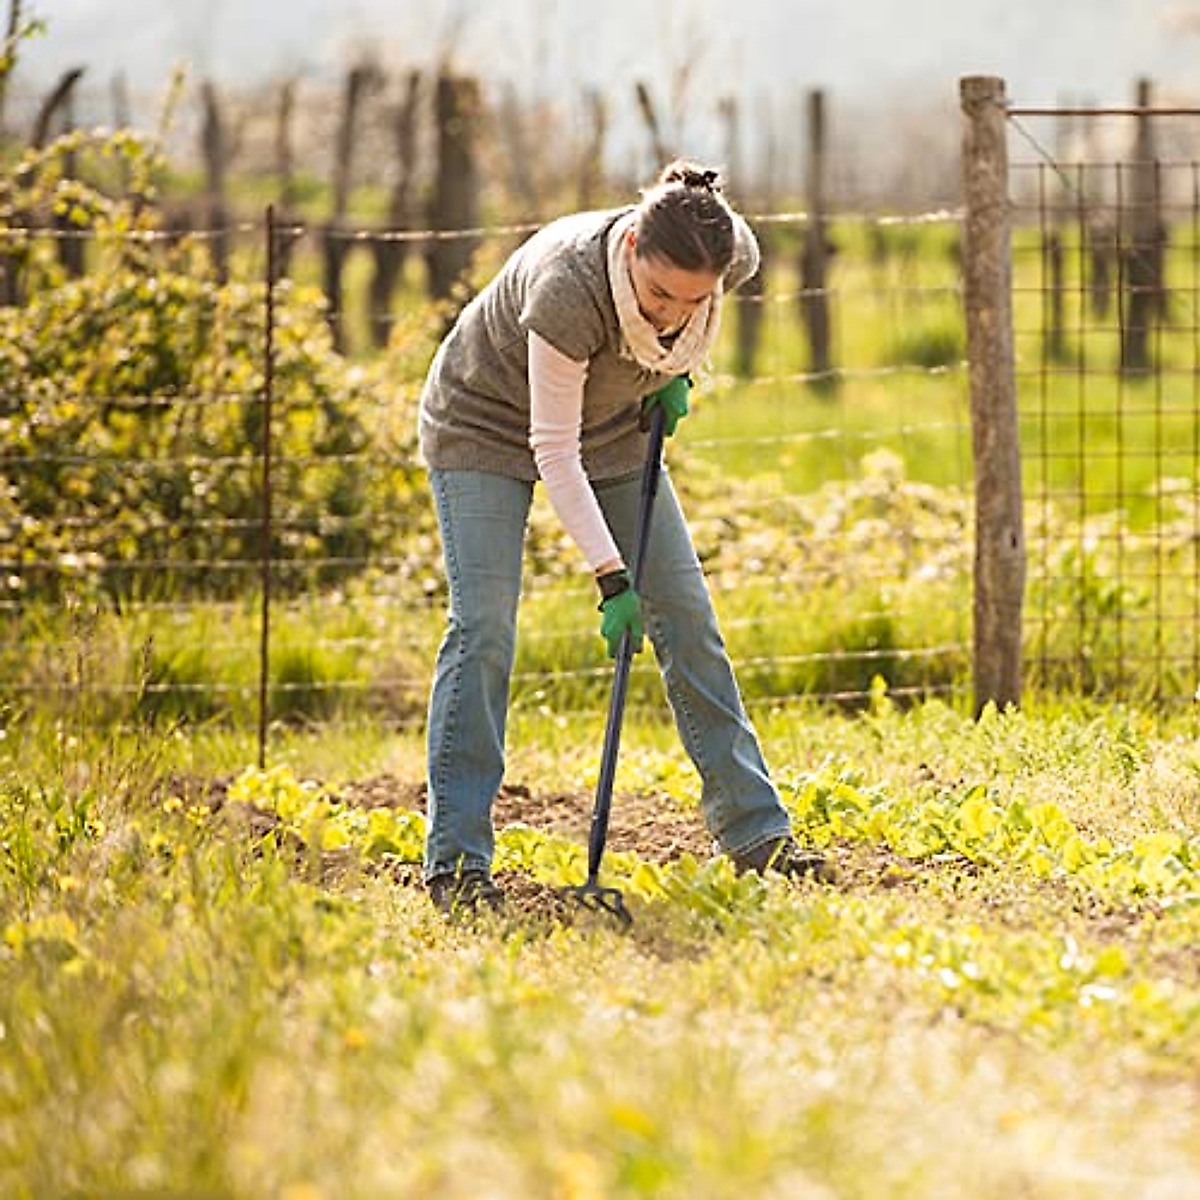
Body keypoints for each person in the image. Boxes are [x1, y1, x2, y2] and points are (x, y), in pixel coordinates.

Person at [418, 159, 834, 914]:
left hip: (611, 431)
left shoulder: (729, 251)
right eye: (659, 295)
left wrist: (676, 372)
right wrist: (612, 578)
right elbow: (553, 451)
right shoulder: (569, 288)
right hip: (483, 424)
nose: (673, 316)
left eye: (694, 302)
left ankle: (756, 835)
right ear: (634, 245)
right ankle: (457, 863)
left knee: (688, 617)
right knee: (484, 629)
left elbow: (679, 331)